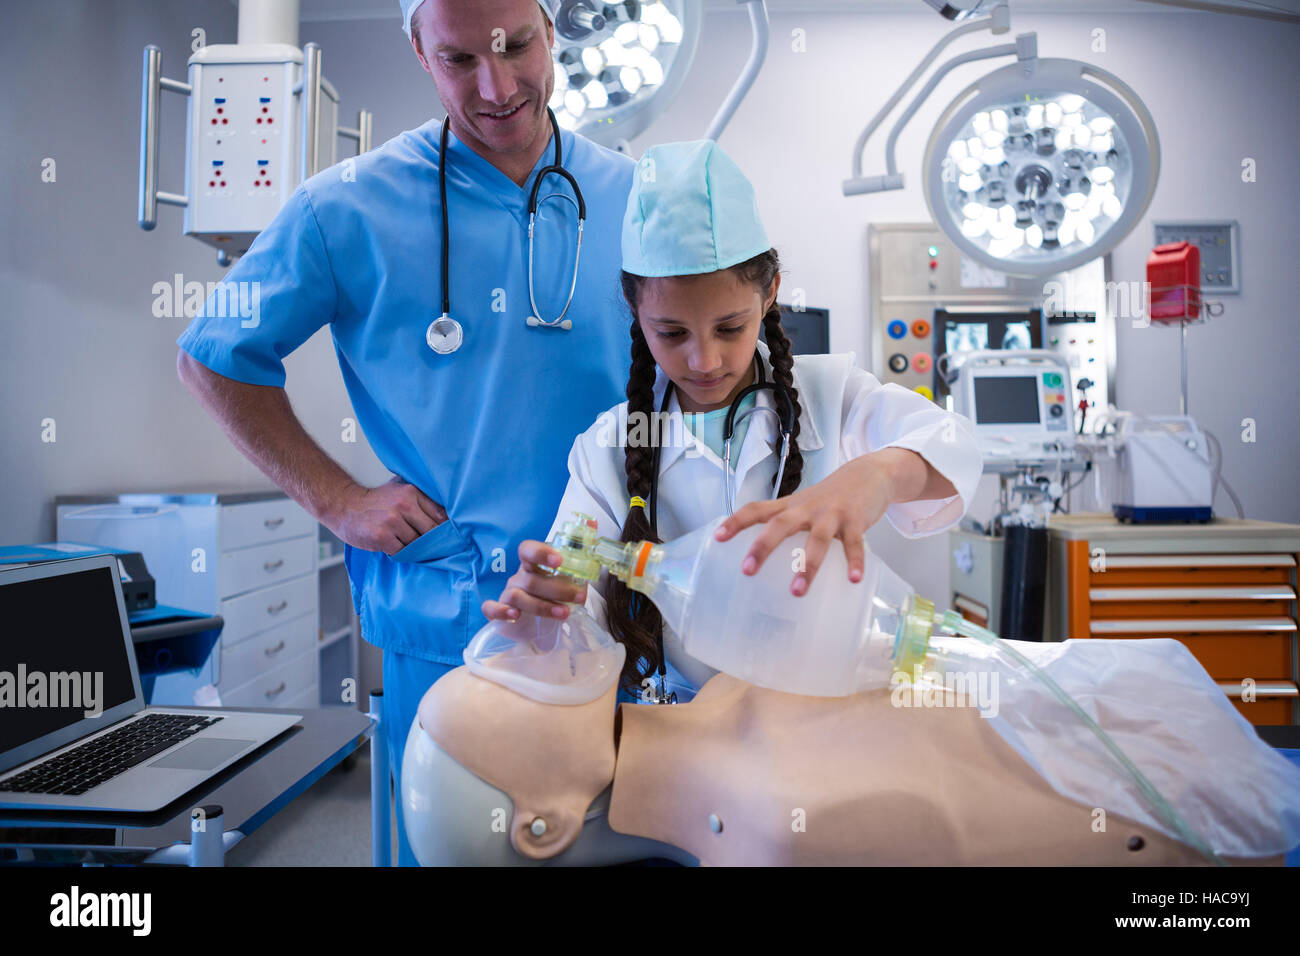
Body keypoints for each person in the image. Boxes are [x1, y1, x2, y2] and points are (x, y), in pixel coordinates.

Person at [175, 0, 636, 864]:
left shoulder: (635, 197)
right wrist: (339, 500)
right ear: (418, 52)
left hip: (612, 611)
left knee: (615, 841)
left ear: (553, 28)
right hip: (450, 610)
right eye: (459, 59)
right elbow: (212, 357)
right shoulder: (345, 209)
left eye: (519, 47)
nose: (495, 87)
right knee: (451, 848)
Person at [483, 139, 983, 702]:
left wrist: (880, 475)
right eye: (671, 333)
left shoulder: (832, 397)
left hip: (827, 726)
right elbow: (579, 612)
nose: (705, 361)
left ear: (770, 294)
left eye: (730, 327)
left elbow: (953, 443)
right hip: (691, 740)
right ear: (634, 310)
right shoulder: (607, 449)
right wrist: (547, 612)